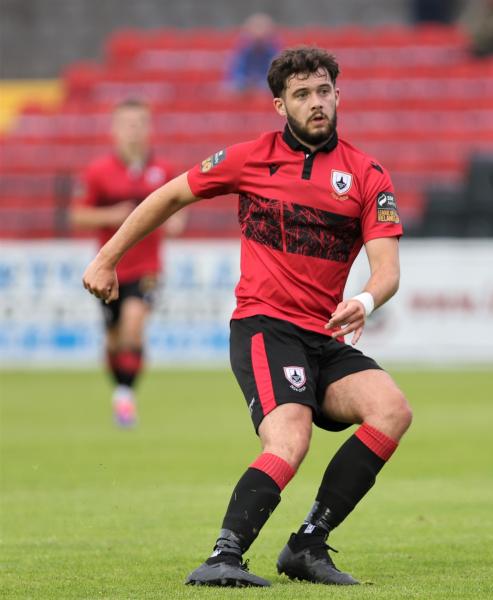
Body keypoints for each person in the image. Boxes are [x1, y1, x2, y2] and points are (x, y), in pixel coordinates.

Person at [81, 47, 412, 587]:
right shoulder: (249, 157)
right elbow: (168, 197)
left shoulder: (367, 174)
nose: (316, 103)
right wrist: (106, 257)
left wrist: (366, 300)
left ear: (337, 94)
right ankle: (224, 556)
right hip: (266, 326)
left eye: (323, 91)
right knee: (290, 438)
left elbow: (387, 269)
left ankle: (307, 545)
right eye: (301, 95)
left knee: (392, 410)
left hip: (324, 333)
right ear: (279, 105)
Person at [70, 98, 183, 428]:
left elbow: (178, 212)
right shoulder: (98, 172)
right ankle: (121, 389)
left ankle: (124, 397)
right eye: (127, 124)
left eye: (140, 123)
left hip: (148, 269)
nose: (134, 130)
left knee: (134, 327)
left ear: (149, 128)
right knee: (114, 340)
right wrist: (114, 214)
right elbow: (77, 216)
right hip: (111, 270)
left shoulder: (164, 171)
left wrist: (172, 221)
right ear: (114, 130)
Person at [226, 13, 281, 93]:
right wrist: (246, 81)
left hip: (265, 87)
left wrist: (260, 82)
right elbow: (235, 73)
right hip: (245, 87)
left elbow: (276, 74)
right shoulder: (243, 51)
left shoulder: (274, 52)